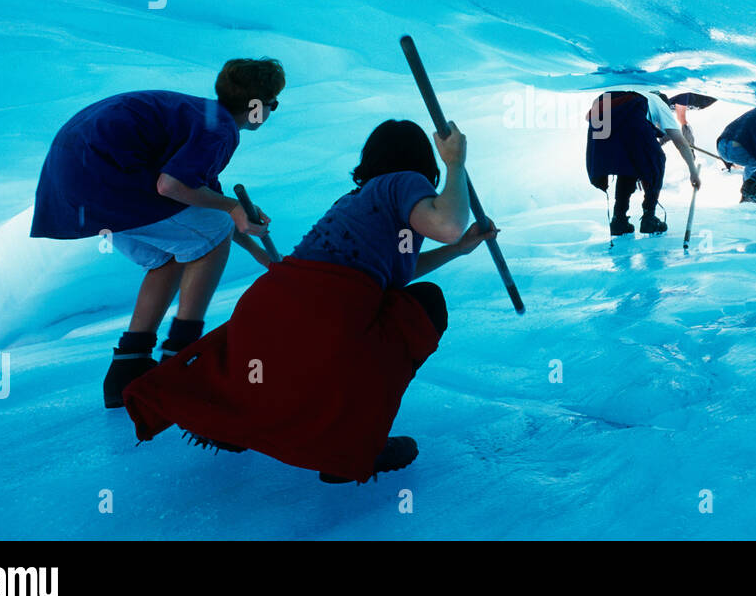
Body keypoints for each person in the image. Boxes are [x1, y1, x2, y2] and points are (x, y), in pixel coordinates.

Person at [123, 119, 497, 484]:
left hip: (270, 305)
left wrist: (460, 251)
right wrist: (455, 164)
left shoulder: (354, 203)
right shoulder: (404, 182)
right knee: (424, 307)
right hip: (325, 310)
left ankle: (233, 421)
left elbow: (395, 268)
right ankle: (350, 443)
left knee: (275, 365)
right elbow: (447, 225)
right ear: (421, 165)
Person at [29, 58, 286, 408]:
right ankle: (181, 356)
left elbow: (202, 204)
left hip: (78, 187)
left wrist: (259, 253)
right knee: (209, 233)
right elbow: (172, 187)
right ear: (257, 106)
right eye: (273, 104)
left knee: (169, 256)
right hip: (106, 178)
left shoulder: (199, 116)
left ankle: (127, 367)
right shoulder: (221, 128)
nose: (270, 112)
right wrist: (232, 209)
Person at [586, 89, 700, 236]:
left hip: (601, 108)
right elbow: (680, 141)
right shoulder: (661, 104)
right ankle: (649, 218)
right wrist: (693, 171)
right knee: (657, 160)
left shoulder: (643, 97)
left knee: (626, 164)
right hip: (627, 108)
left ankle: (618, 220)